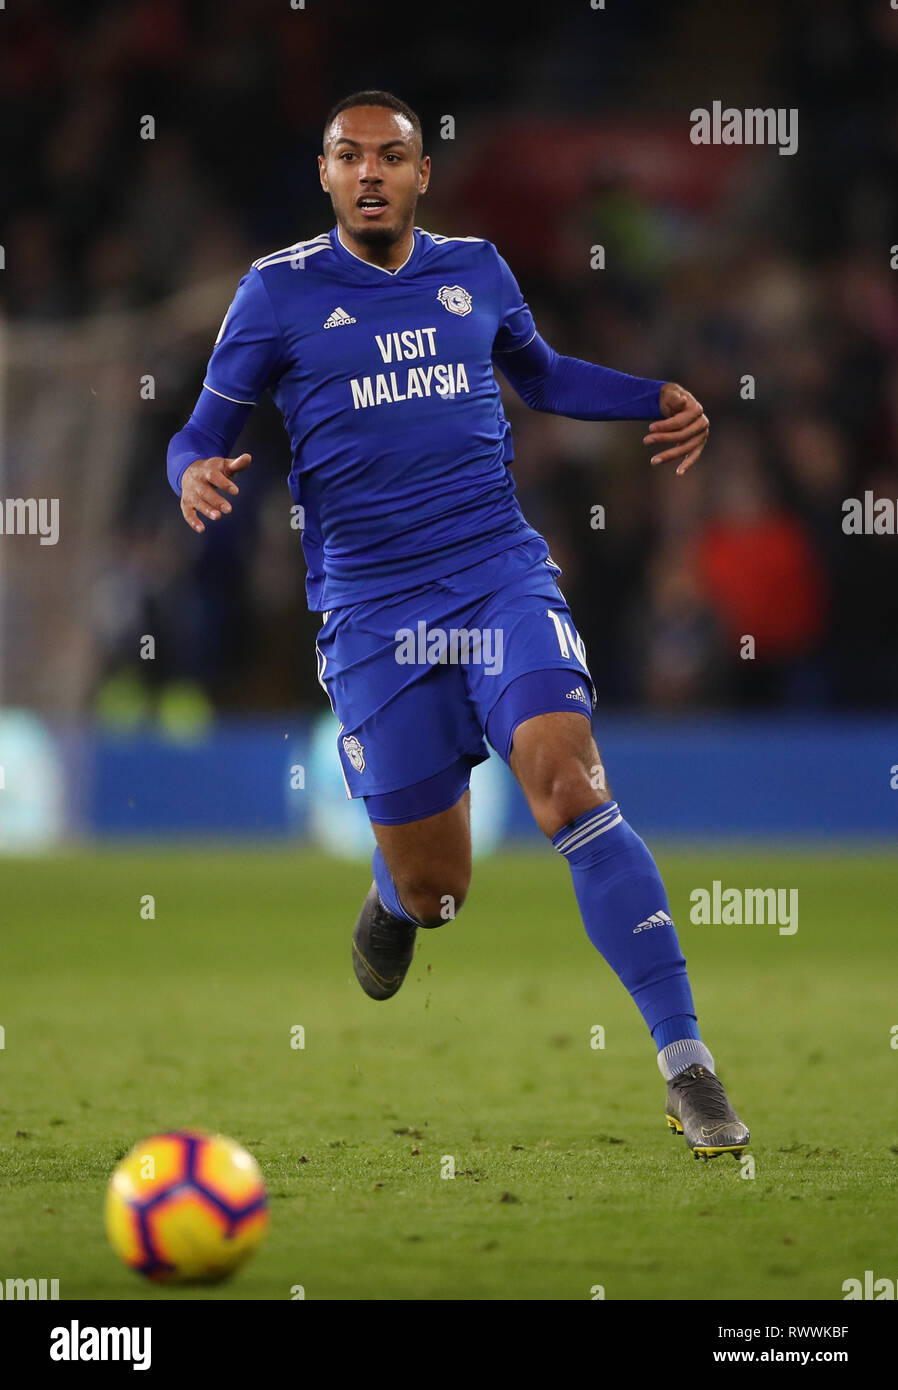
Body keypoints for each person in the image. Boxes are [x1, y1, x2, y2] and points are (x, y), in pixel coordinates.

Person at [166, 90, 747, 1160]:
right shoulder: (275, 292)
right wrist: (193, 470)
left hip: (496, 577)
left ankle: (686, 1065)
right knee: (439, 891)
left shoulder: (475, 269)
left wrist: (652, 395)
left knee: (569, 785)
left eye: (393, 157)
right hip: (373, 615)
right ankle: (394, 895)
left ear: (423, 175)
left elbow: (542, 374)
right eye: (351, 157)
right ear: (327, 174)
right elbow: (198, 431)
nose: (372, 173)